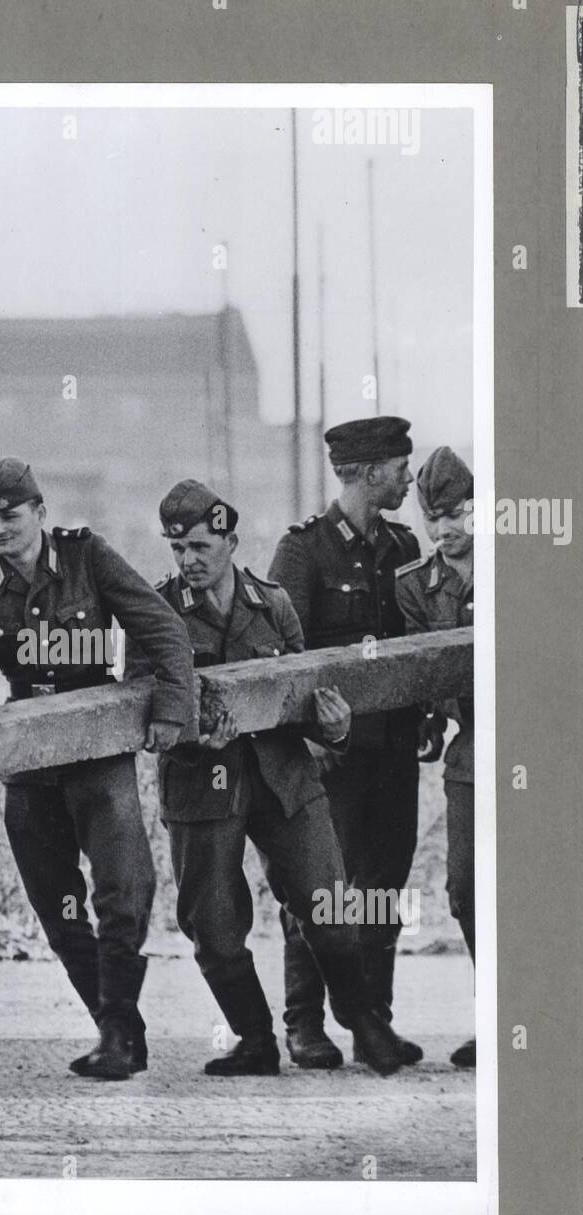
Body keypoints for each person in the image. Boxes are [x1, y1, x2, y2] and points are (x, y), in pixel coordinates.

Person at [136, 479, 407, 1077]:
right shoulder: (156, 617)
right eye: (177, 549)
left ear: (231, 541)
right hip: (200, 786)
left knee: (329, 905)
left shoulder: (273, 604)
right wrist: (187, 733)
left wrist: (334, 730)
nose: (188, 561)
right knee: (213, 926)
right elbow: (141, 711)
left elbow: (303, 695)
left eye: (201, 547)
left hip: (284, 778)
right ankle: (256, 1039)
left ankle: (361, 1021)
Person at [0, 458, 195, 1080]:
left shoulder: (89, 559)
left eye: (9, 517)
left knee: (125, 890)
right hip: (29, 762)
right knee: (58, 910)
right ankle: (119, 1030)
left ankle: (117, 1033)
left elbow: (163, 629)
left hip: (97, 749)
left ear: (40, 514)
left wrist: (169, 708)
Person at [269, 416, 424, 1069]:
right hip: (328, 756)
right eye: (398, 466)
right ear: (364, 472)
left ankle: (372, 1022)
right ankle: (304, 1024)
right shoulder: (303, 552)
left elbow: (421, 646)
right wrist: (304, 741)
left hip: (392, 752)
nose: (407, 477)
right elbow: (281, 656)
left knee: (381, 886)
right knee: (317, 889)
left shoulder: (404, 545)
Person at [396, 446, 476, 1068]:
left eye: (457, 513)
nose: (446, 529)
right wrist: (427, 718)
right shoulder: (416, 588)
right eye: (434, 518)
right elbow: (424, 668)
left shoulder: (520, 566)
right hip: (472, 752)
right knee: (468, 888)